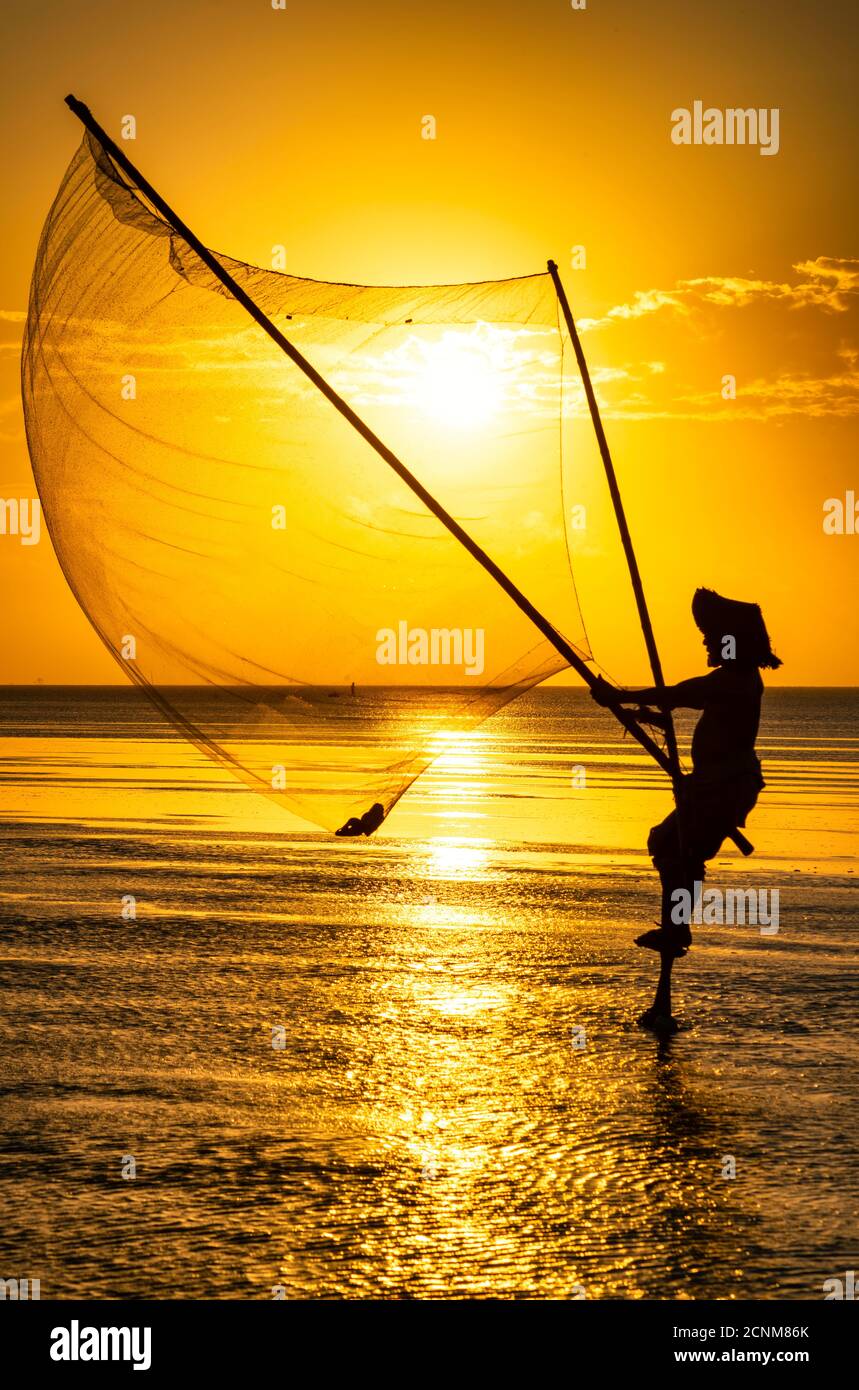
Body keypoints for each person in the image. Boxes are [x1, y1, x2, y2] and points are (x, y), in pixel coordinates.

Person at [591, 587, 782, 1033]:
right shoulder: (733, 681)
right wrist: (639, 713)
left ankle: (678, 929)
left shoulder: (736, 680)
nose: (707, 644)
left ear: (732, 640)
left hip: (723, 790)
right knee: (668, 844)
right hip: (712, 788)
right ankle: (675, 928)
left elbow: (679, 694)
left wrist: (618, 696)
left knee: (684, 853)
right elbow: (683, 704)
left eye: (713, 637)